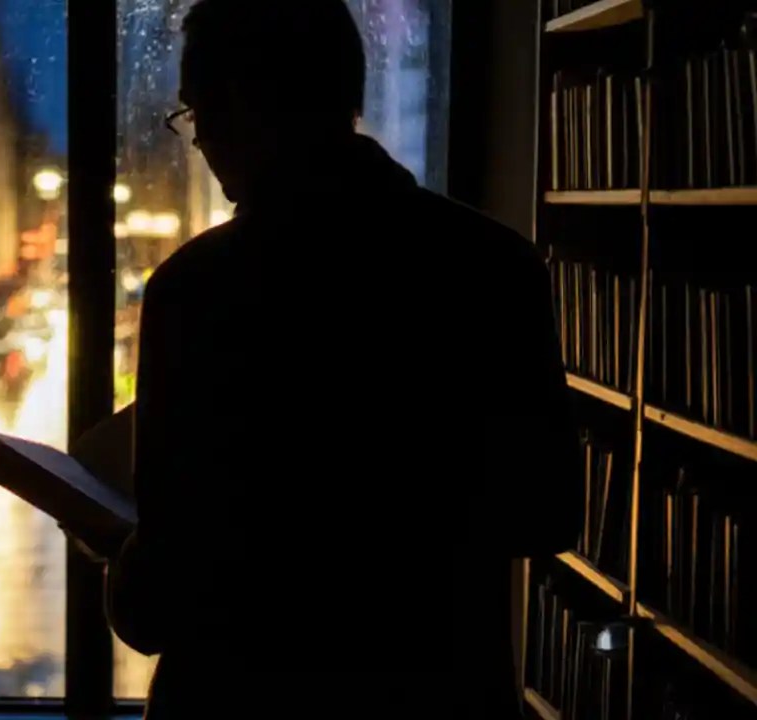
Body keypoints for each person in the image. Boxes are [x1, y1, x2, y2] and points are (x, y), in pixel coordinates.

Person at [103, 1, 583, 717]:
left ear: (243, 105)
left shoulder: (199, 292)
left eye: (195, 111)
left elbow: (156, 607)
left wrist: (119, 550)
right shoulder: (496, 266)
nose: (197, 139)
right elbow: (548, 514)